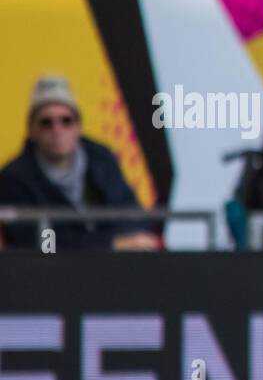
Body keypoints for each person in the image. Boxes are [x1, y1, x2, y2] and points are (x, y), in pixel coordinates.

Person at [0, 76, 157, 251]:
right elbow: (43, 246)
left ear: (78, 126)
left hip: (113, 269)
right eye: (46, 123)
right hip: (52, 274)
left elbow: (132, 218)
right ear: (32, 131)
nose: (57, 130)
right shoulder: (14, 179)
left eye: (66, 121)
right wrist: (110, 244)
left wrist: (124, 242)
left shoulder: (101, 158)